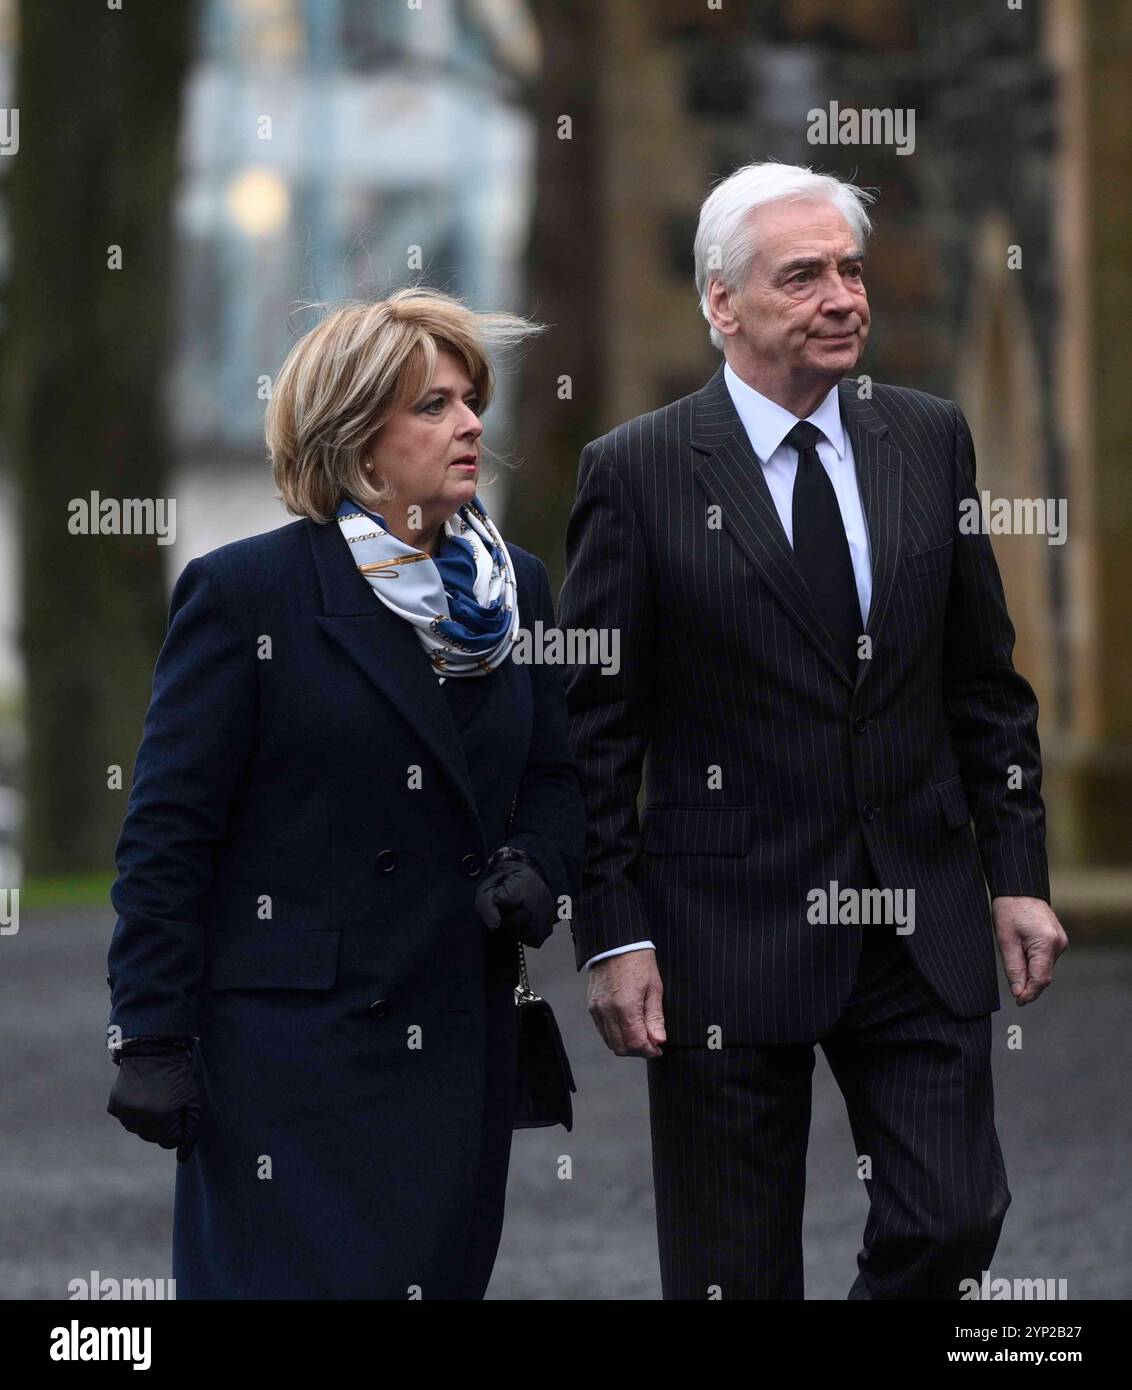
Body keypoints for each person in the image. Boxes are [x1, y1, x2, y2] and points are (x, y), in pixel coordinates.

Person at [560, 161, 1067, 1299]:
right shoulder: (635, 473)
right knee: (728, 1273)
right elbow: (593, 732)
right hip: (720, 931)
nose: (842, 297)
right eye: (803, 277)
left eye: (850, 269)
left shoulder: (928, 439)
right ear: (720, 303)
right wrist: (611, 931)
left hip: (914, 914)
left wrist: (1017, 872)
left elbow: (984, 683)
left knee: (953, 1217)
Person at [106, 287, 586, 1299]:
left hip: (454, 1030)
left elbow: (555, 773)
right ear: (357, 442)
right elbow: (168, 834)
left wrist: (539, 861)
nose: (468, 425)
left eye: (471, 399)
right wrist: (150, 1035)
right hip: (289, 1055)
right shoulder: (247, 593)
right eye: (433, 405)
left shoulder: (521, 591)